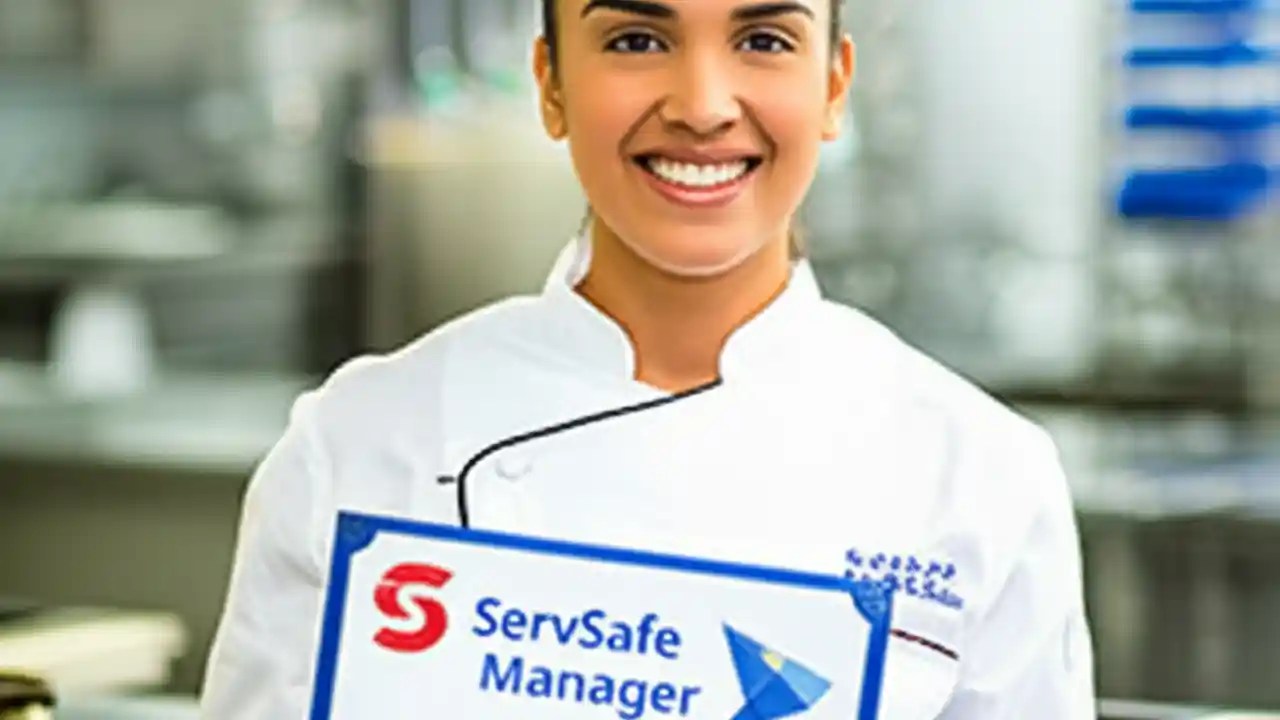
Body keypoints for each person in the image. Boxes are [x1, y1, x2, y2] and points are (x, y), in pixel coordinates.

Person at [200, 0, 1096, 717]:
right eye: (635, 37)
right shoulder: (357, 448)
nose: (703, 104)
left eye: (764, 37)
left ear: (833, 86)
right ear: (550, 84)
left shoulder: (982, 475)